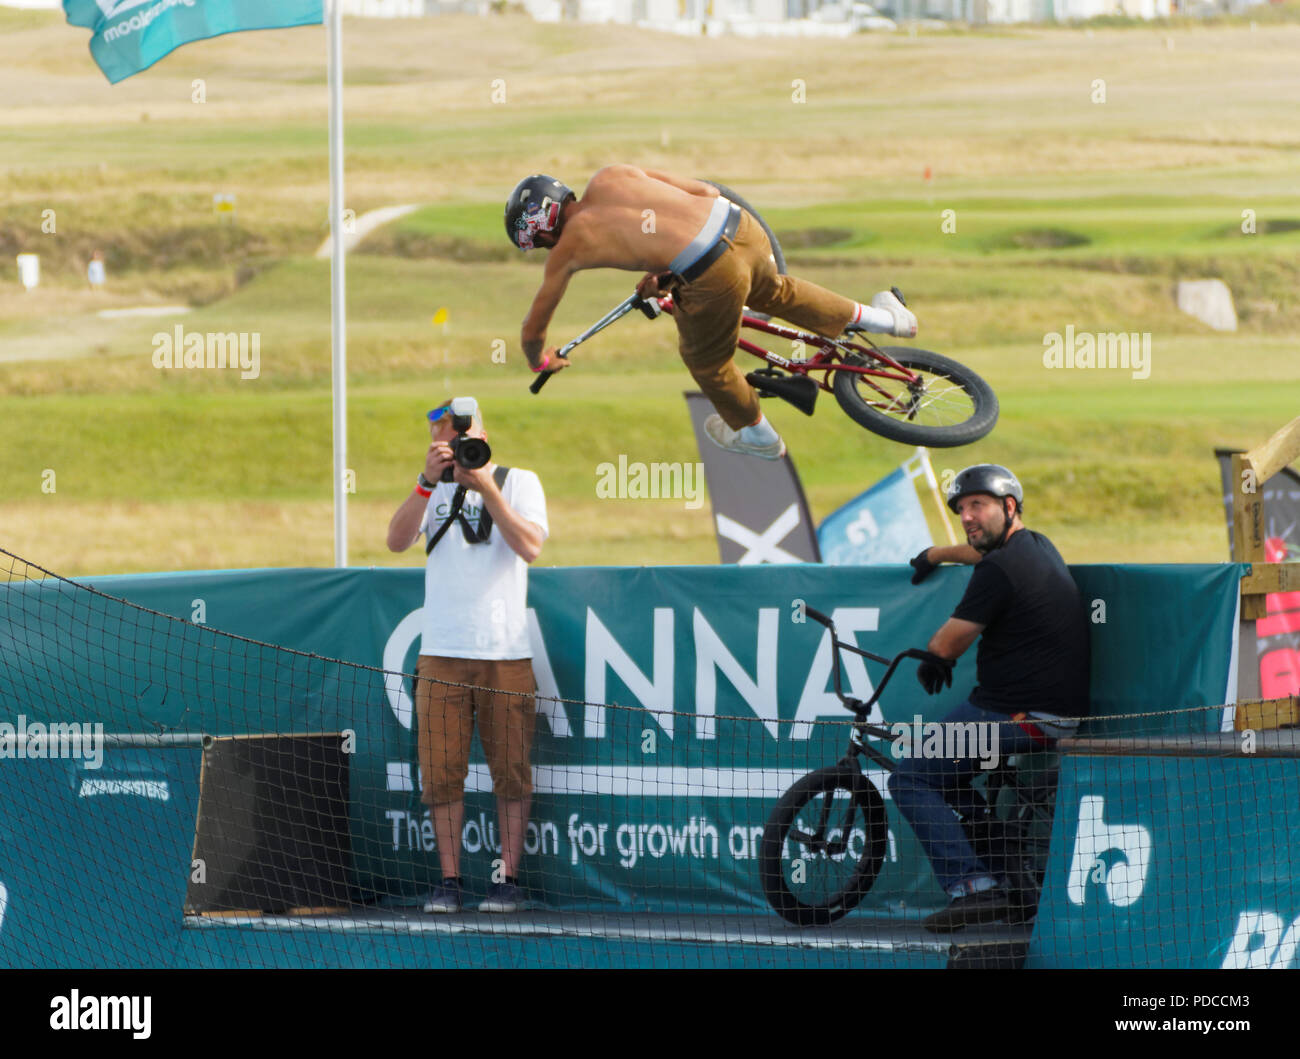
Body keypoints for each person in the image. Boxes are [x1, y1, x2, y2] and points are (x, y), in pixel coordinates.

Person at [505, 166, 917, 460]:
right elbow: (703, 193)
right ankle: (888, 318)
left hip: (713, 271)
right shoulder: (612, 175)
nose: (544, 248)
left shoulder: (568, 248)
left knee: (707, 361)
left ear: (541, 228)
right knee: (775, 291)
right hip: (741, 227)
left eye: (538, 241)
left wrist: (540, 360)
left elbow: (532, 328)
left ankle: (759, 436)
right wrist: (664, 268)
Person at [891, 464, 1090, 933]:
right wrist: (937, 553)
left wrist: (933, 656)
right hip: (1039, 712)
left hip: (1022, 717)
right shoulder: (1035, 545)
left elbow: (946, 645)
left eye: (977, 505)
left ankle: (973, 889)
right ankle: (1012, 884)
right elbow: (981, 550)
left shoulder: (999, 570)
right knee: (949, 779)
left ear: (1009, 506)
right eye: (961, 509)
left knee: (910, 779)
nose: (967, 517)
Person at [386, 397, 548, 914]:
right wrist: (424, 482)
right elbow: (394, 541)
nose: (457, 442)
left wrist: (489, 489)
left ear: (482, 431)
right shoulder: (430, 488)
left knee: (512, 770)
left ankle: (507, 879)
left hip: (505, 652)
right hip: (441, 651)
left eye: (464, 432)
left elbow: (531, 547)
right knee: (440, 772)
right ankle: (450, 880)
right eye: (445, 433)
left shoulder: (520, 481)